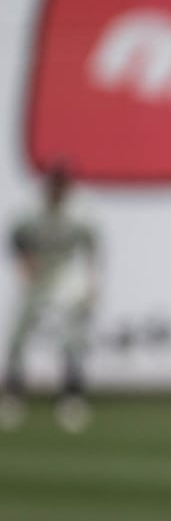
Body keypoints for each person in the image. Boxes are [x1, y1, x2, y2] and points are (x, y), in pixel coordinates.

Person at [0, 166, 99, 432]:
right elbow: (16, 239)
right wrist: (24, 261)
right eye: (54, 185)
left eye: (61, 185)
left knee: (72, 340)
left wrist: (92, 283)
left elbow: (91, 247)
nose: (57, 190)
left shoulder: (77, 216)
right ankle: (13, 395)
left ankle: (71, 396)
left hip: (65, 282)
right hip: (38, 283)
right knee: (19, 336)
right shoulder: (33, 215)